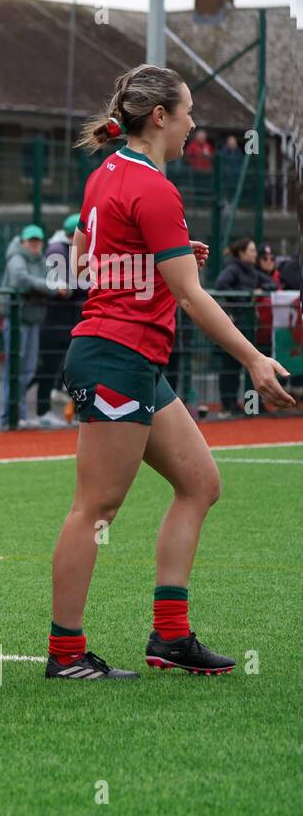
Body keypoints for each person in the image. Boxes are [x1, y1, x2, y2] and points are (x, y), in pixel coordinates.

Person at [49, 64, 293, 679]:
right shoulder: (153, 185)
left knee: (200, 483)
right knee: (95, 508)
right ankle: (66, 655)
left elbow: (84, 264)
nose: (193, 127)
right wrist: (254, 358)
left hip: (128, 356)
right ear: (160, 116)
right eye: (188, 114)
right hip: (116, 355)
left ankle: (170, 638)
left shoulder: (106, 173)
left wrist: (164, 260)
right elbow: (192, 297)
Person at [33, 212, 88, 428]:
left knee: (70, 367)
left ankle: (72, 412)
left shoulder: (71, 249)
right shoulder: (57, 250)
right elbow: (66, 286)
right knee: (47, 368)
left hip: (69, 320)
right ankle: (42, 411)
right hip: (56, 320)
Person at [212, 237, 274, 417]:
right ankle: (227, 405)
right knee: (230, 366)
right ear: (242, 253)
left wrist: (258, 292)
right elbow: (220, 285)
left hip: (248, 327)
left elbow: (270, 283)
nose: (256, 254)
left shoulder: (252, 271)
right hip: (234, 323)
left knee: (248, 367)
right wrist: (242, 299)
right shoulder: (233, 268)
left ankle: (250, 406)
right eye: (252, 251)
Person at [0, 224, 48, 427]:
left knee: (27, 369)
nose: (34, 245)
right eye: (31, 241)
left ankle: (20, 414)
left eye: (37, 241)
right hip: (17, 319)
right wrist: (46, 287)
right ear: (23, 242)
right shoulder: (16, 257)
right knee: (14, 368)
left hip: (33, 317)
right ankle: (10, 415)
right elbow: (21, 280)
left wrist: (47, 286)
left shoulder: (41, 260)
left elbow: (50, 281)